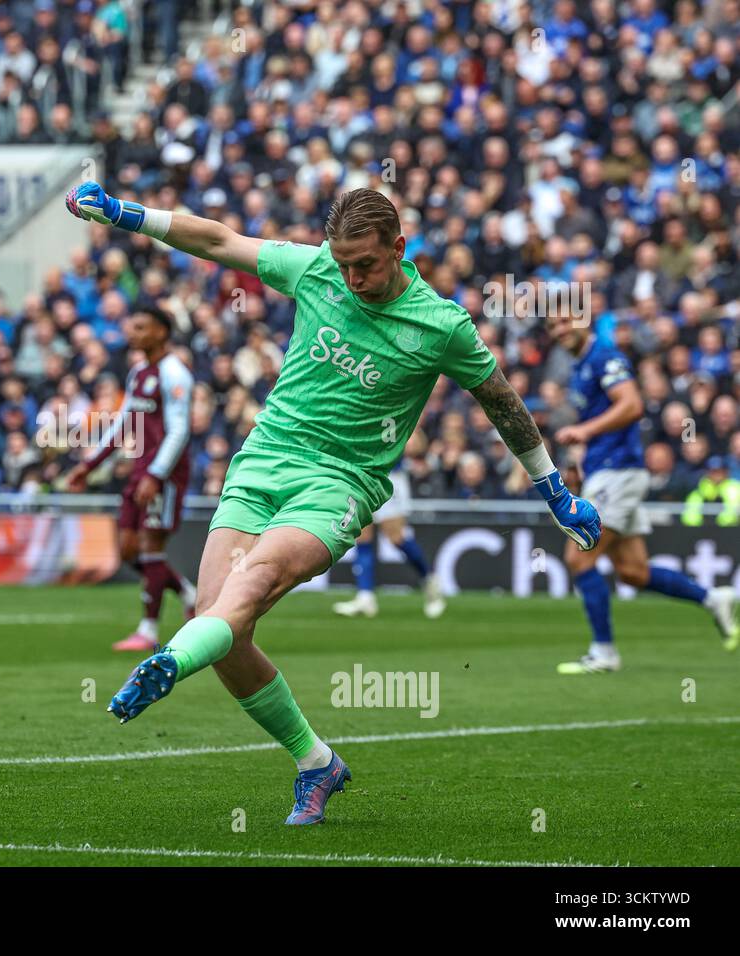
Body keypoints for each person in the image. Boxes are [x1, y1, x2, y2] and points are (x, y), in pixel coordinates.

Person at [65, 181, 601, 825]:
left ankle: (171, 662)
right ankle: (316, 762)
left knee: (250, 584)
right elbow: (217, 239)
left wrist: (555, 491)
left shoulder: (442, 325)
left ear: (400, 249)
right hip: (262, 462)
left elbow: (503, 405)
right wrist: (127, 214)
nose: (350, 277)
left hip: (340, 483)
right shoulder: (317, 270)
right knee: (223, 624)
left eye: (366, 264)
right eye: (341, 262)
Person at [548, 311, 737, 673]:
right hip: (607, 472)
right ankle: (713, 598)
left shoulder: (605, 356)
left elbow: (632, 406)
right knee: (633, 572)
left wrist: (584, 431)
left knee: (579, 558)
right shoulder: (581, 367)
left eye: (565, 320)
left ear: (582, 320)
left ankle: (604, 652)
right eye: (553, 326)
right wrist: (580, 459)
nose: (560, 330)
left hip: (619, 473)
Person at [64, 307, 197, 651]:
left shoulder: (175, 374)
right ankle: (187, 592)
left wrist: (156, 474)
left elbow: (180, 429)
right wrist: (89, 465)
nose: (133, 332)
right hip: (140, 470)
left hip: (164, 474)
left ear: (162, 332)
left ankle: (148, 630)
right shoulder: (138, 372)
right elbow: (123, 424)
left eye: (141, 327)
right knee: (128, 549)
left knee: (152, 545)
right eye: (132, 326)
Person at [331, 452, 445, 619]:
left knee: (397, 537)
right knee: (362, 536)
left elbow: (417, 444)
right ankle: (365, 596)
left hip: (389, 474)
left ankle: (429, 580)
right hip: (362, 471)